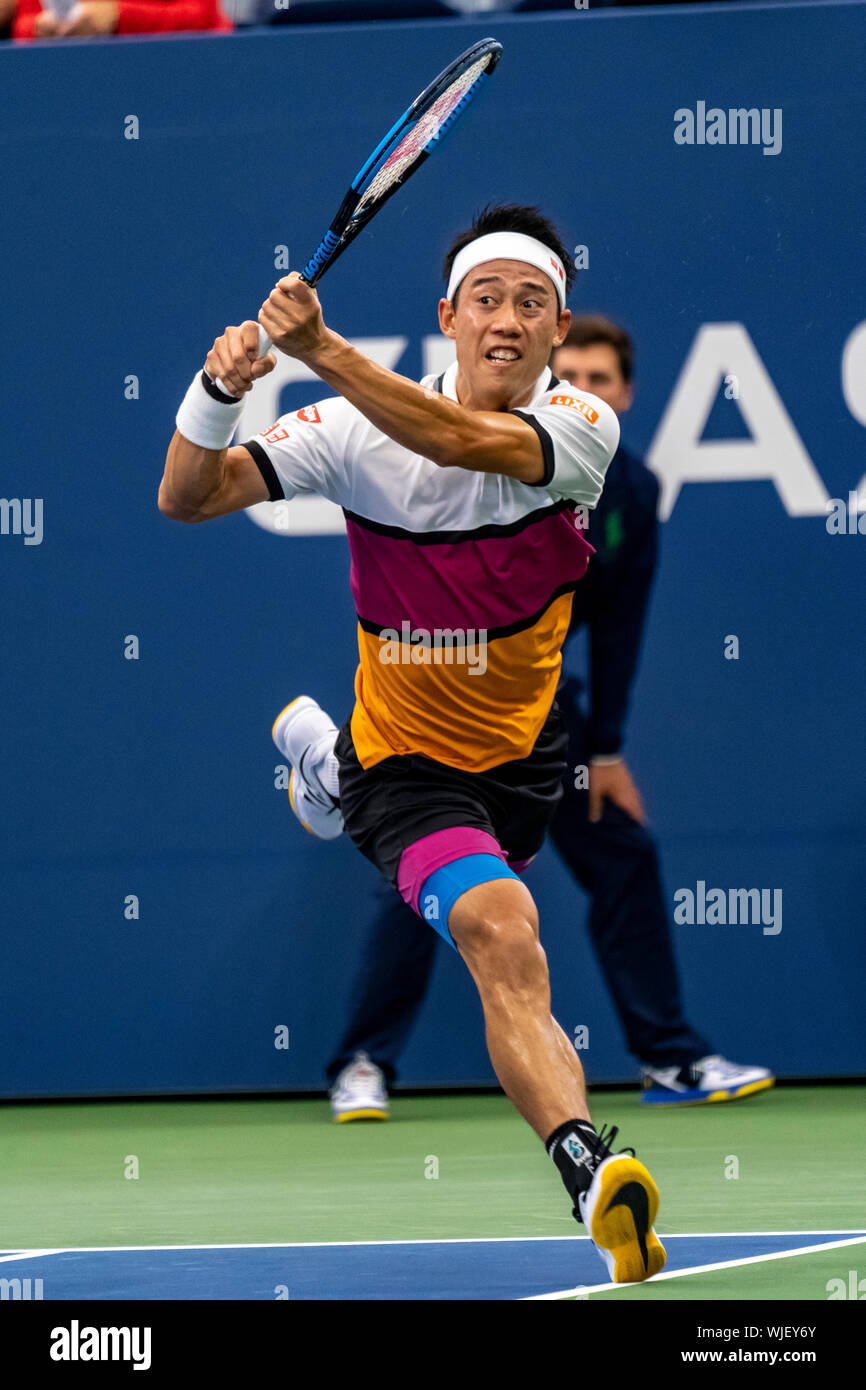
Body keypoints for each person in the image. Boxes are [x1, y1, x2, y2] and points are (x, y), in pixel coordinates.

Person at [159, 203, 665, 1283]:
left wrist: (318, 351)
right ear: (447, 316)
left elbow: (456, 440)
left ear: (555, 327)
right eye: (485, 297)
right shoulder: (345, 435)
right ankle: (587, 1168)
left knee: (501, 914)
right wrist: (216, 393)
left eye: (531, 303)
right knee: (501, 929)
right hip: (410, 771)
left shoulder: (582, 427)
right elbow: (184, 496)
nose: (507, 319)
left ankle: (320, 772)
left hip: (522, 760)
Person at [324, 317, 774, 1122]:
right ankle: (364, 1060)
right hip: (440, 701)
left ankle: (670, 1056)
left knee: (624, 854)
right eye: (578, 376)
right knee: (424, 877)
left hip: (544, 719)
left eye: (605, 379)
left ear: (625, 394)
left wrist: (606, 750)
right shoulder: (489, 454)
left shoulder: (630, 491)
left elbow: (625, 623)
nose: (590, 390)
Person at [9, 0, 230, 40]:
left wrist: (118, 17)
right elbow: (23, 24)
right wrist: (38, 28)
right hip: (79, 84)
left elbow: (202, 16)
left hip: (178, 75)